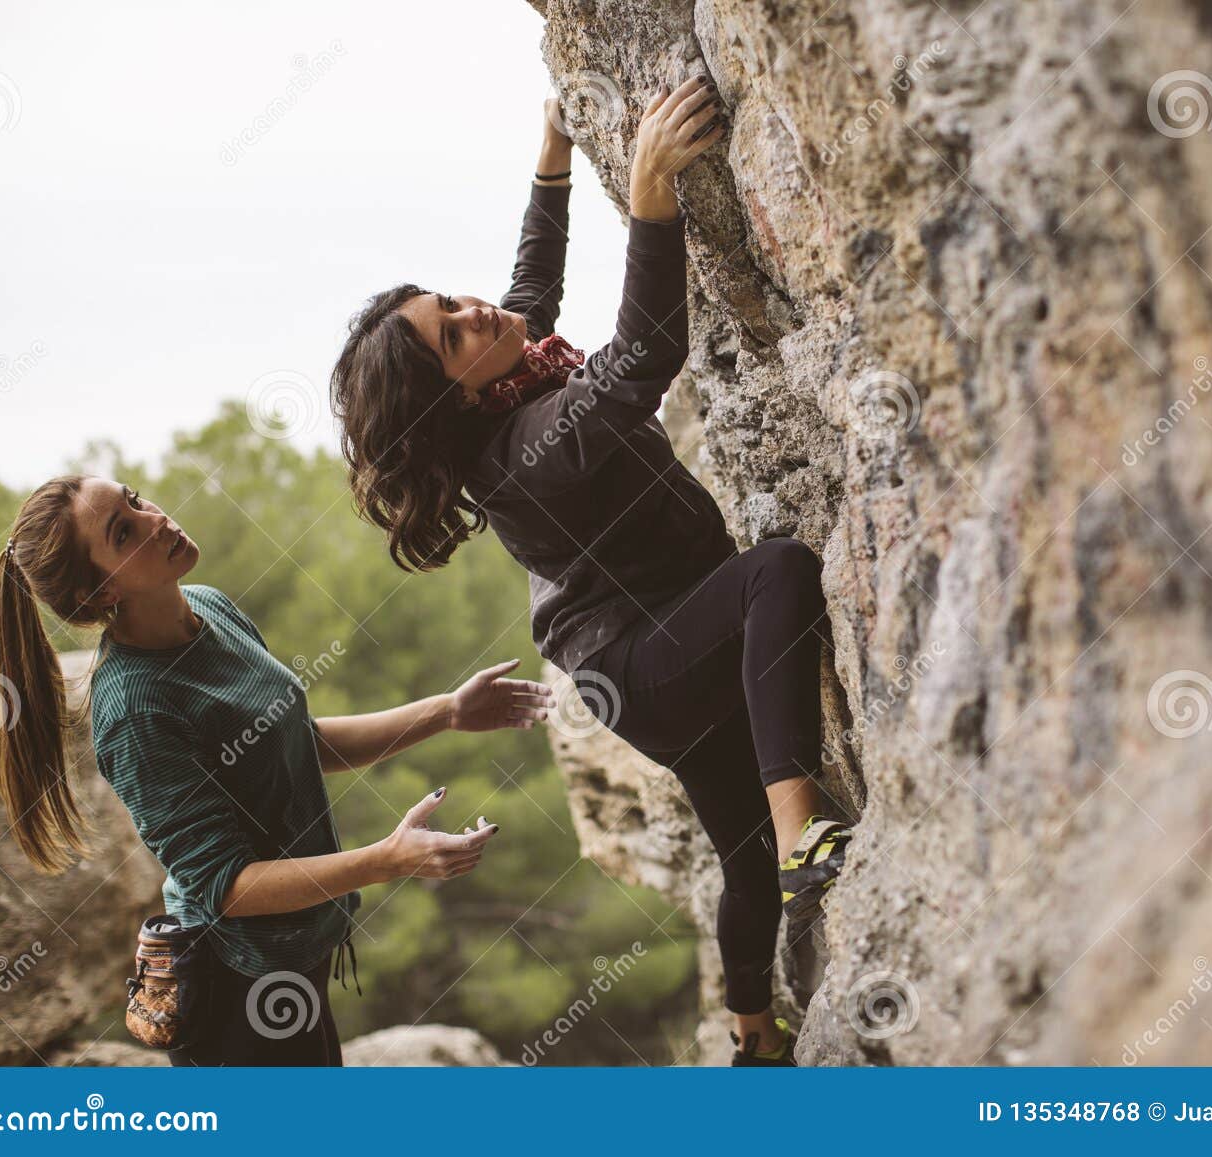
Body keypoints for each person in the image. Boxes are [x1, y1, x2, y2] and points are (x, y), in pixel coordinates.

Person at [329, 75, 853, 1065]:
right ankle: (803, 841)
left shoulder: (505, 374)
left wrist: (553, 152)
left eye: (449, 301)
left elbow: (525, 292)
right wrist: (648, 187)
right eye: (452, 333)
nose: (474, 312)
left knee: (732, 858)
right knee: (776, 570)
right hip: (637, 656)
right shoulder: (525, 446)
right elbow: (644, 355)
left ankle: (753, 1040)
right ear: (451, 397)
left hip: (647, 647)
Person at [0, 474, 553, 1065]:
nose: (156, 519)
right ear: (96, 594)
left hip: (297, 956)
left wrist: (446, 712)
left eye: (135, 498)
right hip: (239, 993)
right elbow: (225, 888)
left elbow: (291, 744)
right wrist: (388, 859)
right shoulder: (135, 709)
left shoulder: (208, 606)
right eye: (124, 532)